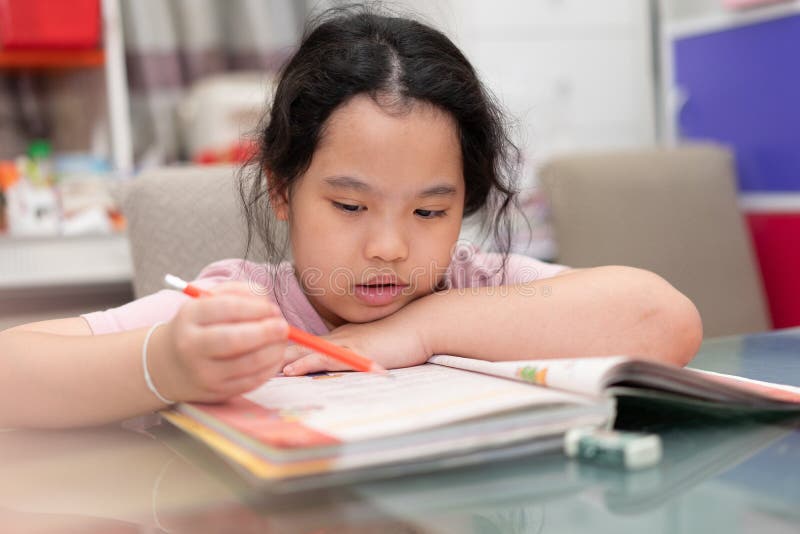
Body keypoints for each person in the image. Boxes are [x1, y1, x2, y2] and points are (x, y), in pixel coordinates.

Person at [0, 6, 702, 429]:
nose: (391, 246)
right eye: (349, 205)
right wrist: (167, 362)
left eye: (432, 209)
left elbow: (663, 320)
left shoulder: (475, 286)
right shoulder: (242, 306)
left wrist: (418, 329)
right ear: (281, 189)